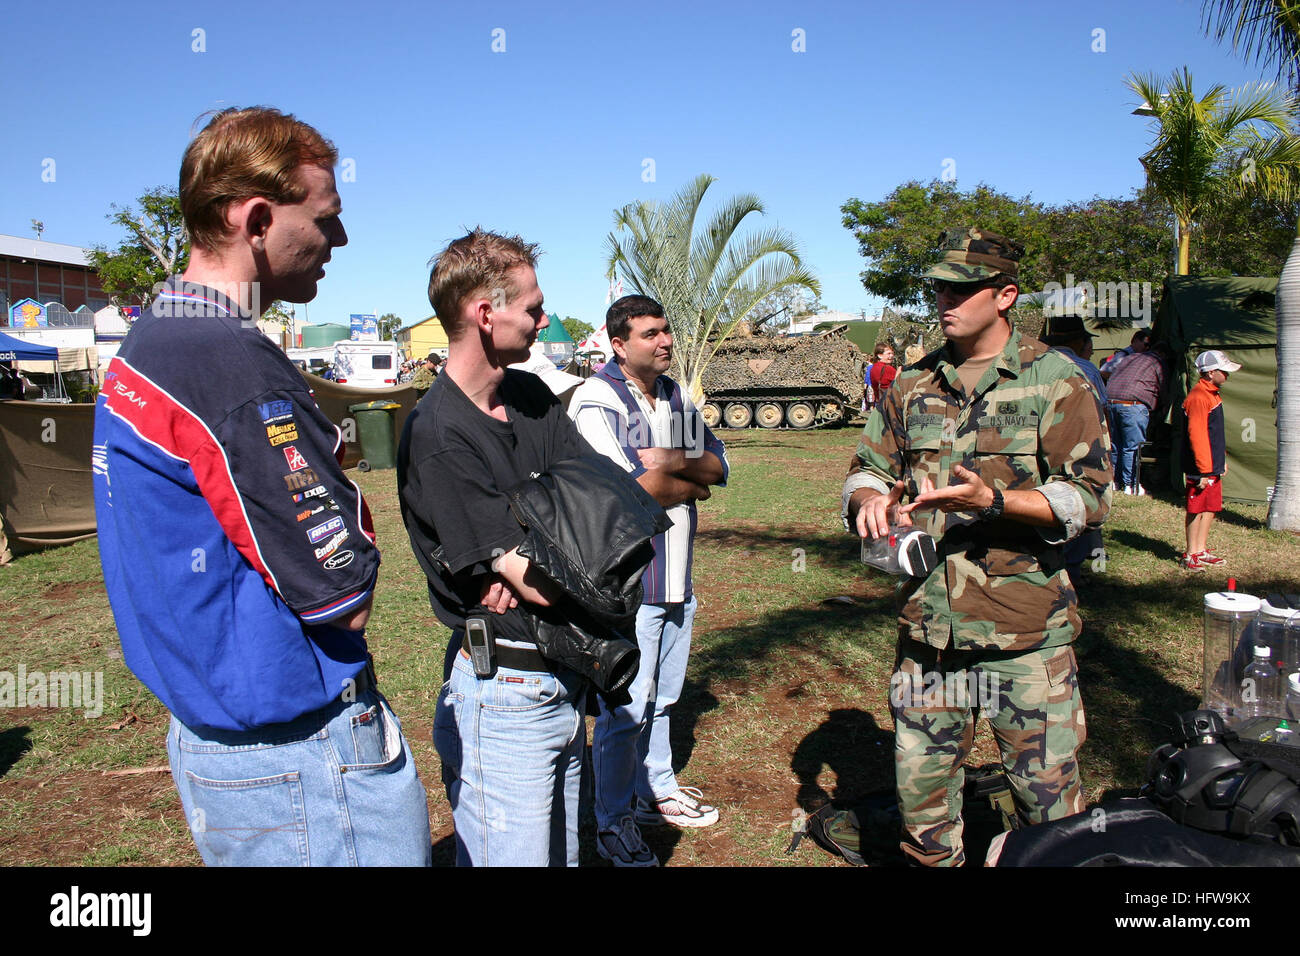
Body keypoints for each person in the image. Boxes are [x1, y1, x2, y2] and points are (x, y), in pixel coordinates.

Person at [92, 107, 430, 866]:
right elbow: (341, 592)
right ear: (254, 217)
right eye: (327, 219)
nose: (338, 243)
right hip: (300, 760)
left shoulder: (151, 342)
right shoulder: (228, 363)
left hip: (223, 741)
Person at [842, 227, 1112, 867]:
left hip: (1026, 638)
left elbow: (1089, 498)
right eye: (940, 287)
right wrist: (868, 501)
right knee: (923, 809)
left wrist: (992, 503)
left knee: (1049, 813)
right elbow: (866, 467)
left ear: (1005, 295)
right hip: (930, 634)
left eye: (964, 288)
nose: (946, 299)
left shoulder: (1056, 382)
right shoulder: (909, 385)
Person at [396, 228, 594, 867]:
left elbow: (613, 509)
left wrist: (535, 545)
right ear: (487, 315)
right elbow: (539, 581)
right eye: (533, 308)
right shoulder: (438, 434)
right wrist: (549, 541)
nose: (543, 319)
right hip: (506, 692)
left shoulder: (532, 395)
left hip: (567, 674)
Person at [568, 294, 728, 866]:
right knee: (623, 711)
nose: (665, 342)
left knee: (664, 698)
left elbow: (720, 465)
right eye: (651, 334)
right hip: (631, 585)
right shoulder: (596, 400)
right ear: (618, 343)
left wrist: (664, 461)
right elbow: (625, 493)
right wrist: (682, 468)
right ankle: (612, 824)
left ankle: (653, 791)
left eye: (667, 332)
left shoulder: (674, 395)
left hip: (678, 576)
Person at [1042, 313, 1108, 591]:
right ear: (1079, 341)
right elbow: (1101, 409)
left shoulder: (1032, 367)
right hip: (1080, 451)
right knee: (1079, 499)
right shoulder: (1085, 369)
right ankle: (1074, 571)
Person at [1181, 350, 1240, 571]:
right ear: (1210, 372)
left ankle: (1201, 550)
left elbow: (1214, 434)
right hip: (1200, 467)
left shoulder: (1213, 394)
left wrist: (1219, 461)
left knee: (1210, 507)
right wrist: (1204, 470)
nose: (1227, 375)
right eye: (1224, 371)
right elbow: (1197, 435)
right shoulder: (1198, 396)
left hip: (1211, 465)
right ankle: (1191, 554)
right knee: (1196, 508)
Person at [1104, 340, 1169, 495]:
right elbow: (1163, 387)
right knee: (1132, 447)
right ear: (1163, 354)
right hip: (1133, 405)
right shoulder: (1157, 362)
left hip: (1111, 401)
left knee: (1115, 445)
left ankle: (1114, 481)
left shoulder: (1130, 357)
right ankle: (1130, 485)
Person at [869, 342, 897, 406]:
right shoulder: (888, 369)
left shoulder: (873, 368)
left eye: (892, 353)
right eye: (888, 354)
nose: (891, 356)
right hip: (891, 404)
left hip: (880, 403)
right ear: (879, 355)